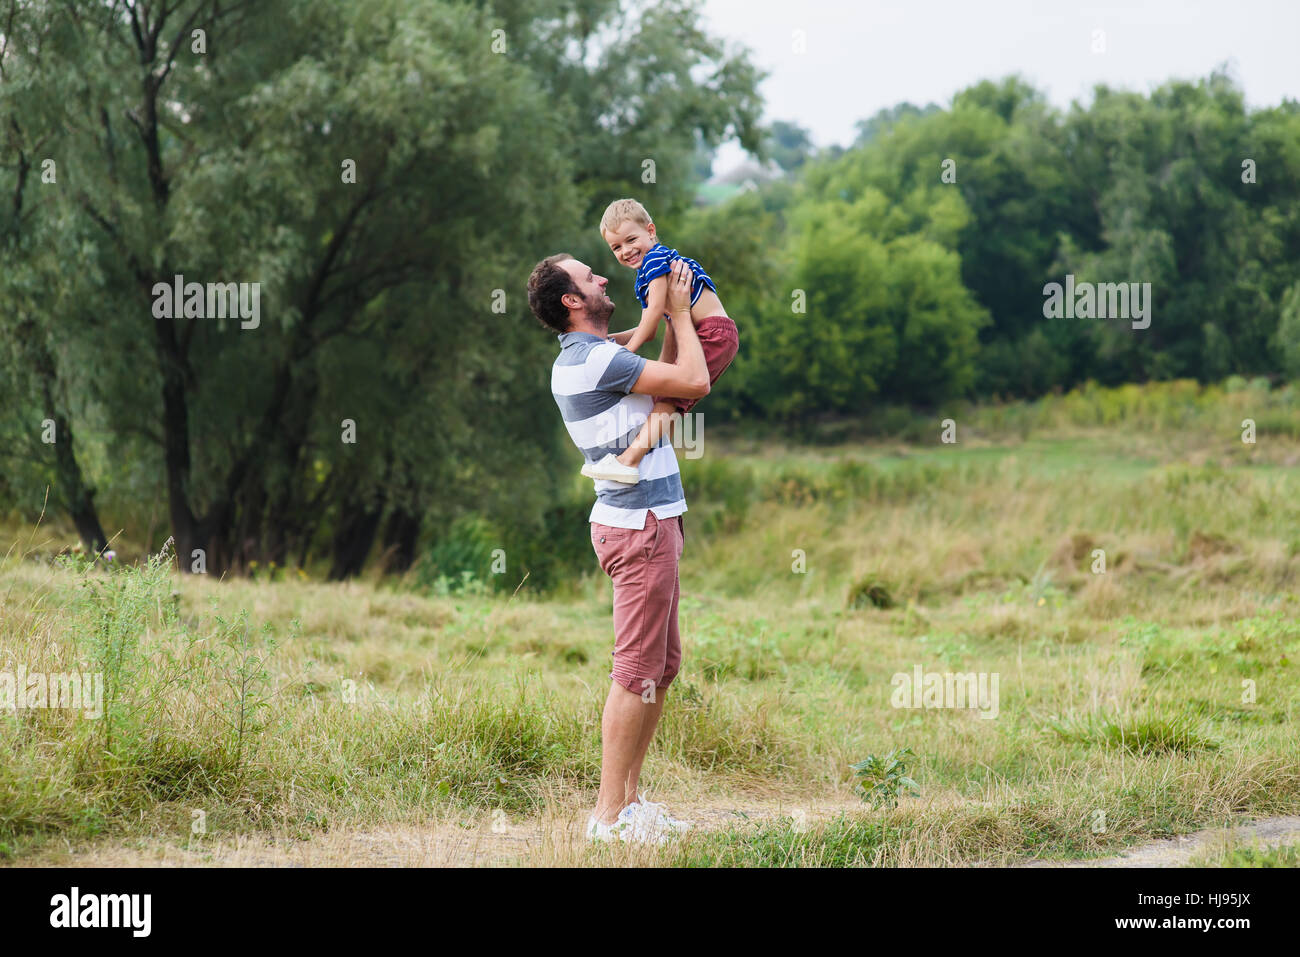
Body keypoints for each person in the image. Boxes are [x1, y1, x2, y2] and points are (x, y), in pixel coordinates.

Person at [527, 253, 705, 843]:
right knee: (635, 671)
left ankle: (630, 802)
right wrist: (681, 311)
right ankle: (608, 818)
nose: (604, 278)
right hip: (640, 526)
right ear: (572, 302)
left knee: (663, 665)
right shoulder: (594, 359)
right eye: (588, 277)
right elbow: (695, 382)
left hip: (652, 519)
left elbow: (652, 355)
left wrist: (663, 316)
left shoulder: (597, 356)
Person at [578, 198, 739, 484]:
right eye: (616, 247)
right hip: (703, 332)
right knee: (667, 398)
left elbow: (652, 318)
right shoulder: (646, 272)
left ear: (650, 231)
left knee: (672, 396)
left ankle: (629, 460)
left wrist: (625, 352)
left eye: (631, 240)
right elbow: (648, 327)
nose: (626, 251)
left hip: (713, 333)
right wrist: (603, 341)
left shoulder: (655, 261)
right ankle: (647, 450)